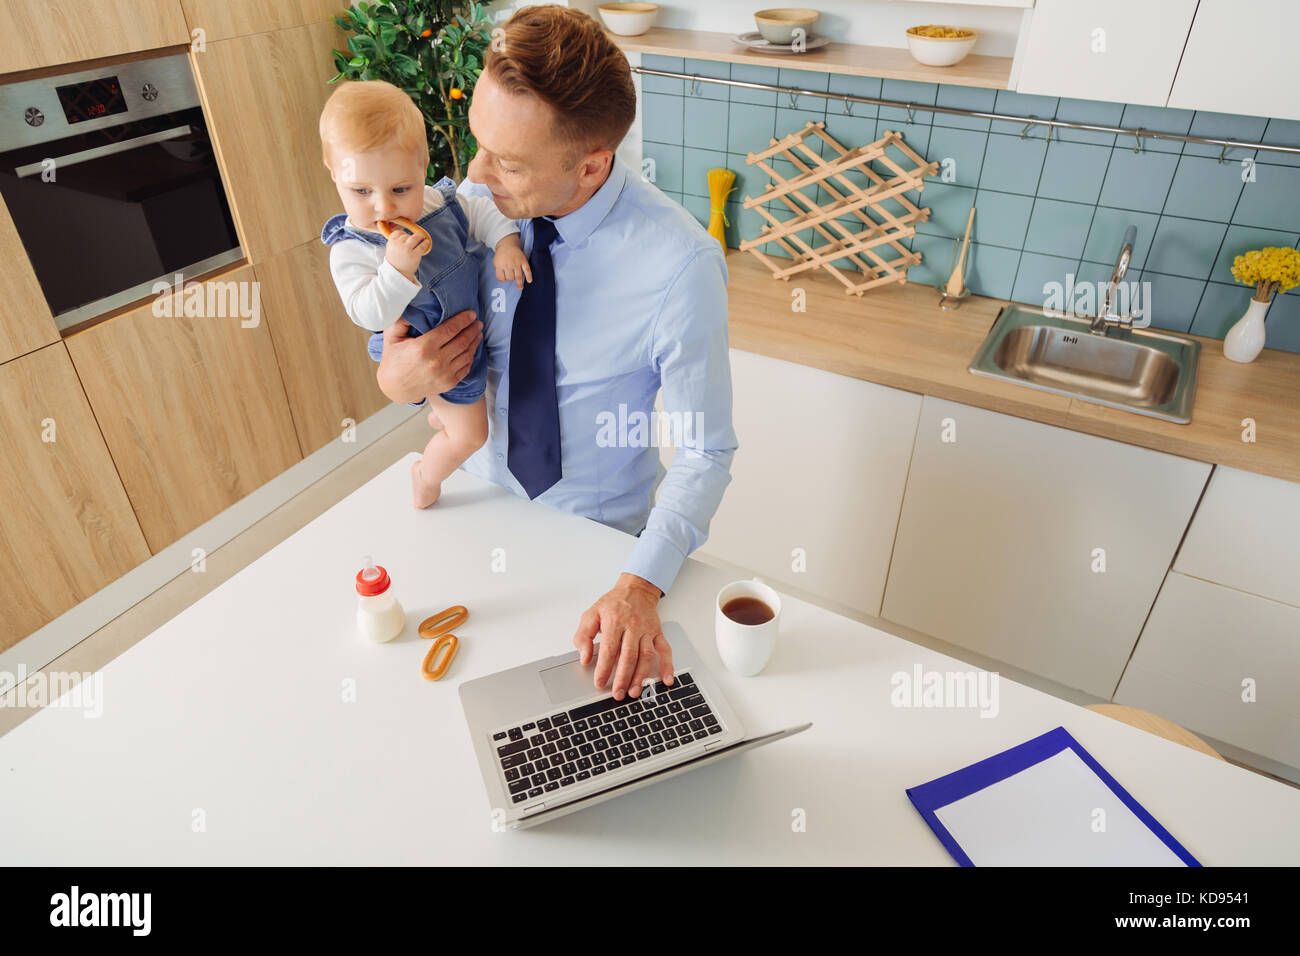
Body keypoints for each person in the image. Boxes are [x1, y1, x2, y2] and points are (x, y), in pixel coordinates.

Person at [374, 5, 738, 701]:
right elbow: (408, 335)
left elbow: (705, 451)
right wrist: (397, 376)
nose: (474, 174)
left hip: (597, 552)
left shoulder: (680, 265)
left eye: (507, 162)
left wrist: (639, 584)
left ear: (593, 166)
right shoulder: (471, 208)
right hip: (470, 510)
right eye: (475, 142)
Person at [319, 79, 532, 509]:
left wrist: (506, 242)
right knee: (472, 435)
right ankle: (427, 477)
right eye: (361, 191)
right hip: (430, 350)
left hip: (464, 336)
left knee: (460, 420)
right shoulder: (352, 248)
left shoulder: (436, 202)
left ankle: (443, 417)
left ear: (422, 168)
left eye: (400, 189)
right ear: (333, 173)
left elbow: (479, 212)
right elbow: (366, 311)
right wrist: (398, 269)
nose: (384, 207)